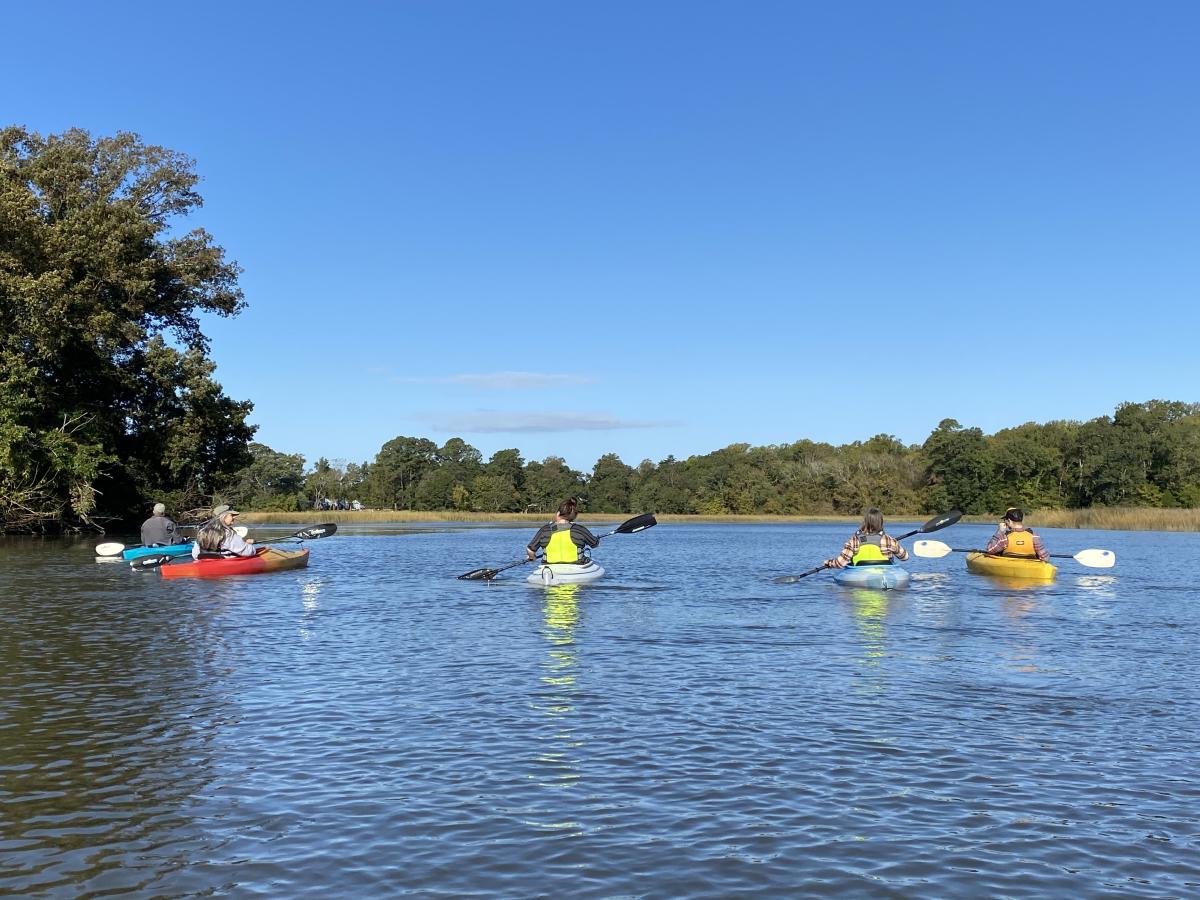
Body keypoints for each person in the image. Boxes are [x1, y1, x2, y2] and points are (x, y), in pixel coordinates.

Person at [824, 507, 910, 569]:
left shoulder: (855, 540)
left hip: (860, 574)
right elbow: (905, 557)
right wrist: (894, 545)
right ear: (881, 522)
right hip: (885, 573)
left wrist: (830, 563)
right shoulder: (888, 540)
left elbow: (840, 563)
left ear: (865, 522)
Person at [527, 498, 600, 565]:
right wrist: (597, 539)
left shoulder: (545, 530)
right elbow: (595, 544)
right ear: (573, 516)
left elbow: (530, 550)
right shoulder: (579, 530)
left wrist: (532, 557)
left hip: (550, 569)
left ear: (558, 513)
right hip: (576, 567)